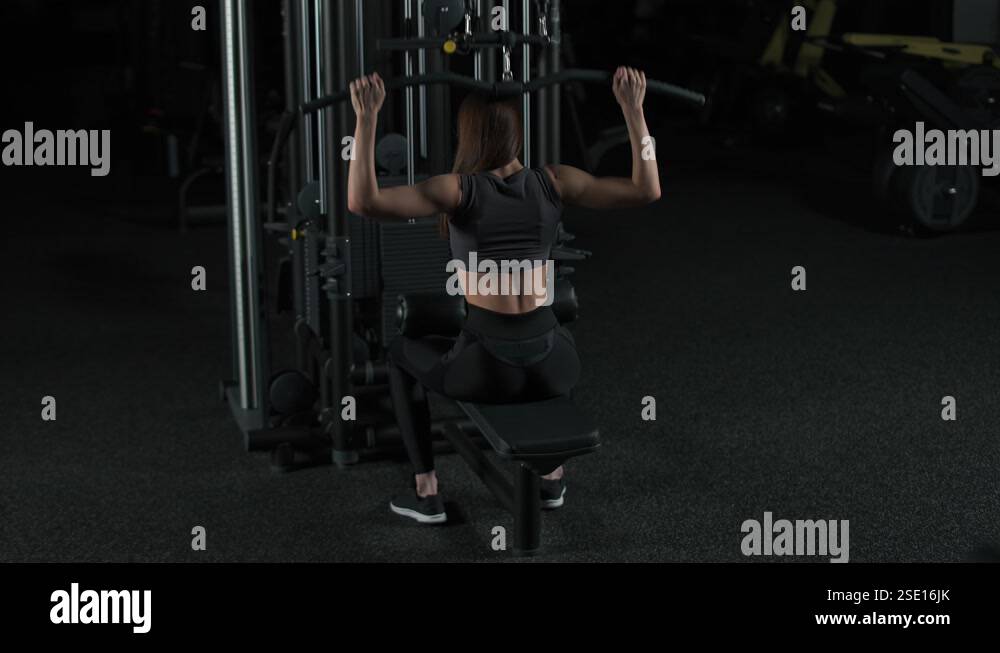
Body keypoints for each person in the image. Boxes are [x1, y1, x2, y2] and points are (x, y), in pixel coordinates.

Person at [347, 66, 661, 523]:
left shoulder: (456, 189)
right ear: (518, 135)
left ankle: (426, 491)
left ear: (468, 137)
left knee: (399, 353)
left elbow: (364, 203)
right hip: (556, 366)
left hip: (485, 370)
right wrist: (635, 112)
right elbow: (646, 189)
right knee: (543, 332)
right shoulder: (555, 181)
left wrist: (366, 120)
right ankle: (552, 478)